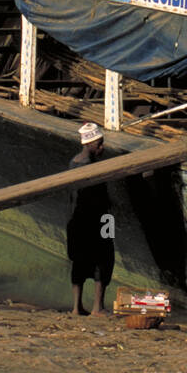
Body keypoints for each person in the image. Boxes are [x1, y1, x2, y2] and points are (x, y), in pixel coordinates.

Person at [66, 122, 113, 315]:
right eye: (99, 144)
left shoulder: (74, 162)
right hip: (97, 219)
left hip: (76, 220)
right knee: (104, 258)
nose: (102, 148)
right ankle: (97, 307)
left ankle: (76, 307)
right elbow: (94, 196)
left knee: (79, 261)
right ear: (89, 143)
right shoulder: (91, 166)